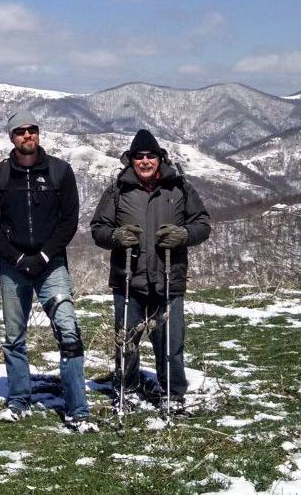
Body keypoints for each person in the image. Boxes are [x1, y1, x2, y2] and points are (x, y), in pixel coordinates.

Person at [0, 110, 96, 432]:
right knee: (14, 336)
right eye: (20, 131)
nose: (27, 135)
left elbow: (69, 220)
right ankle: (19, 399)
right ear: (11, 137)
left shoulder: (60, 171)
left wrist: (44, 254)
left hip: (52, 264)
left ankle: (78, 408)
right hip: (12, 265)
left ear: (39, 133)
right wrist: (17, 258)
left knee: (68, 330)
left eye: (32, 129)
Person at [90, 129, 211, 415]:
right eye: (139, 157)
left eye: (150, 156)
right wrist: (116, 237)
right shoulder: (118, 190)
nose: (145, 161)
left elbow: (202, 224)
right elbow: (98, 229)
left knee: (170, 341)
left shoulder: (179, 188)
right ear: (130, 160)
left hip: (169, 277)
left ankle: (172, 393)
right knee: (127, 341)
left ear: (160, 158)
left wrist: (183, 235)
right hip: (128, 278)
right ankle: (126, 390)